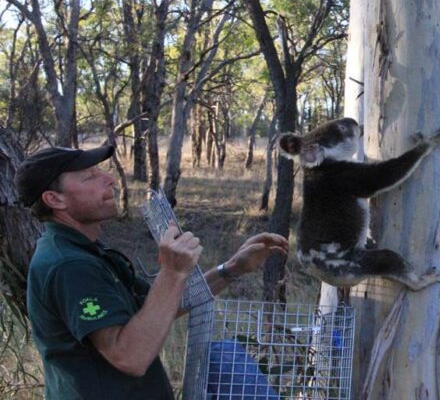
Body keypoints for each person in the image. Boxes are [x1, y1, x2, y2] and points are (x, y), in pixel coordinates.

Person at [14, 145, 289, 400]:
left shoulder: (87, 252)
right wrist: (172, 271)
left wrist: (230, 269)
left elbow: (156, 307)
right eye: (89, 177)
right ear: (54, 199)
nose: (108, 180)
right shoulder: (69, 265)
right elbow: (129, 358)